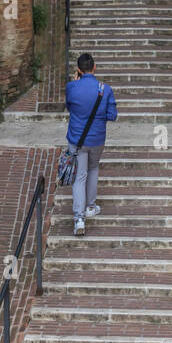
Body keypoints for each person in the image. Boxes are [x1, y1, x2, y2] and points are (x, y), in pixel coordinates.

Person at [65, 52, 117, 237]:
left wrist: (75, 82)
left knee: (80, 176)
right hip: (97, 139)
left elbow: (69, 107)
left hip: (77, 139)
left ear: (78, 70)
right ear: (94, 67)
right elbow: (112, 116)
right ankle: (90, 206)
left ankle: (79, 219)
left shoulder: (71, 87)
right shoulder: (105, 89)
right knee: (93, 169)